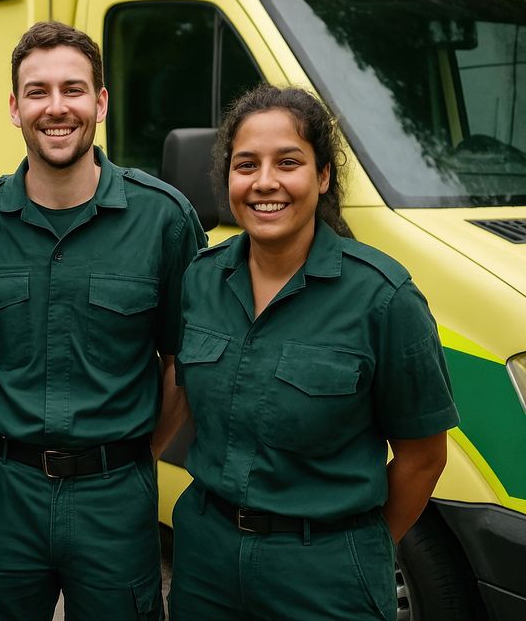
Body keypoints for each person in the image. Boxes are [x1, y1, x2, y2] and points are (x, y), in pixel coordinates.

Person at [168, 84, 459, 620]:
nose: (264, 183)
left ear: (323, 176)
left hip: (325, 576)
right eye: (246, 164)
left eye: (289, 162)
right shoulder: (200, 281)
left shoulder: (383, 298)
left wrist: (349, 549)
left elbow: (423, 458)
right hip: (204, 563)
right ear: (227, 178)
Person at [0, 21, 206, 621]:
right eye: (37, 92)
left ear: (100, 102)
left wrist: (132, 456)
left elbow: (184, 366)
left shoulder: (165, 220)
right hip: (3, 491)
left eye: (73, 89)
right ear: (15, 108)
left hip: (115, 494)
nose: (56, 107)